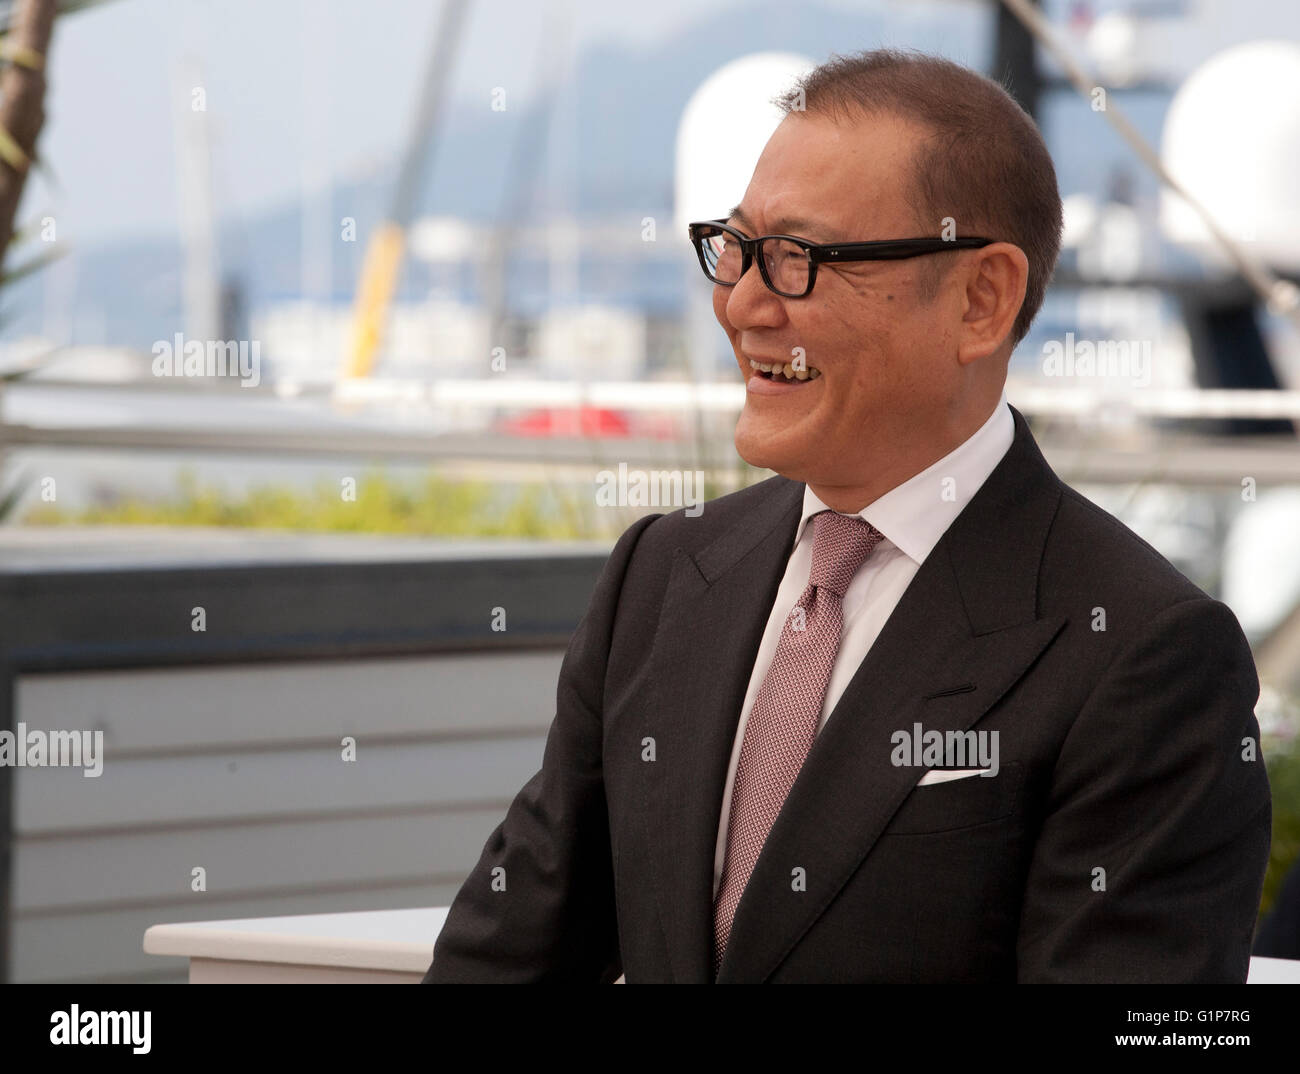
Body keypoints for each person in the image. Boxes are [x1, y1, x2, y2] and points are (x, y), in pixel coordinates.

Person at [423, 48, 1271, 983]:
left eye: (797, 259)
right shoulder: (662, 576)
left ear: (982, 299)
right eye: (736, 248)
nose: (740, 303)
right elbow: (508, 954)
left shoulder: (1146, 656)